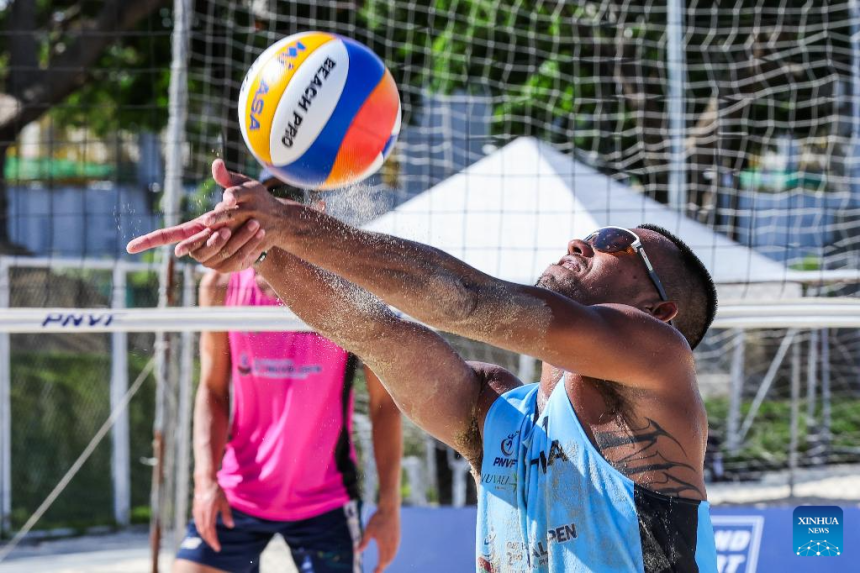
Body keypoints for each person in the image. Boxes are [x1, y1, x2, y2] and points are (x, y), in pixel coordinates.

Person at [132, 159, 719, 572]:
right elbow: (367, 328)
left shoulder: (659, 362)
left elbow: (463, 300)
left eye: (613, 242)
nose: (578, 243)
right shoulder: (497, 413)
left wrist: (289, 221)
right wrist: (261, 245)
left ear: (657, 310)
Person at [173, 178, 403, 573]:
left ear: (312, 219)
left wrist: (389, 506)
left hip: (325, 500)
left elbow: (385, 406)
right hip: (238, 493)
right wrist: (204, 482)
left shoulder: (349, 292)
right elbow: (212, 392)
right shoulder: (221, 285)